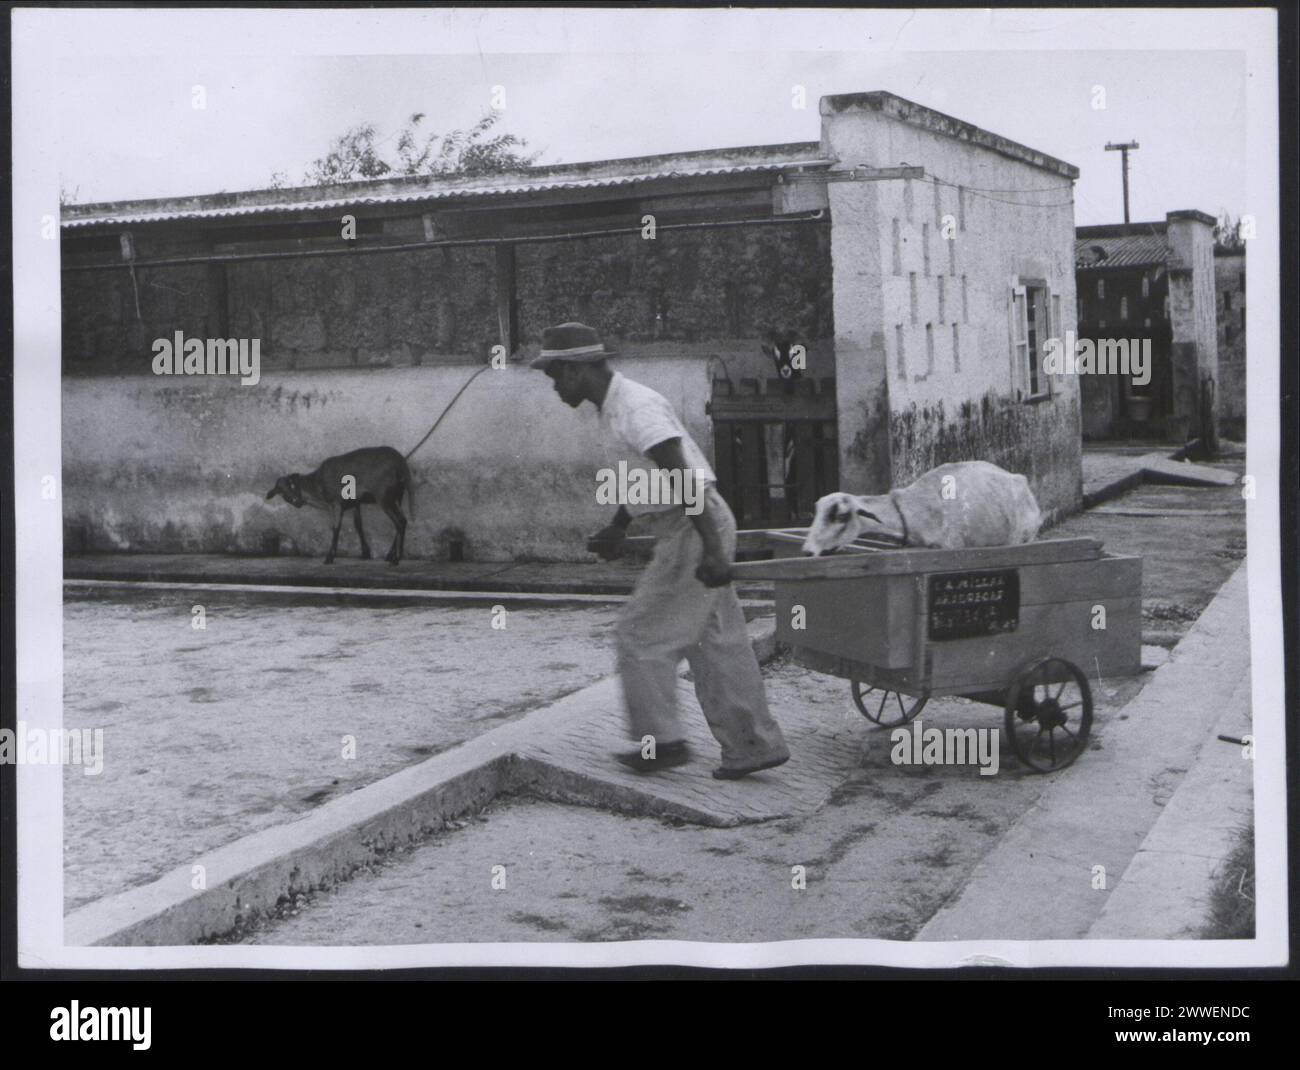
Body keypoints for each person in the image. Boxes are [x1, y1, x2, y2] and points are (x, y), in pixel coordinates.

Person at [531, 322, 790, 780]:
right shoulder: (612, 408)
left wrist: (711, 547)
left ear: (575, 371)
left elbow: (683, 473)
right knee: (716, 643)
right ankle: (753, 745)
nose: (555, 388)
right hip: (694, 524)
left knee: (640, 634)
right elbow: (647, 476)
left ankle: (662, 743)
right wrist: (618, 526)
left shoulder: (634, 405)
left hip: (694, 526)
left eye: (555, 377)